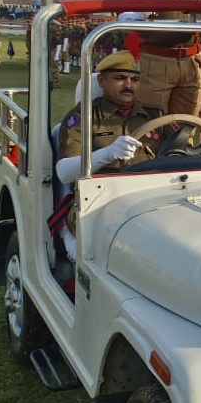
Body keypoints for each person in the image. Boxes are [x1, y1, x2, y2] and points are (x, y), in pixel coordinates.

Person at [54, 51, 161, 262]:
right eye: (120, 78)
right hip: (99, 199)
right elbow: (64, 172)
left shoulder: (154, 115)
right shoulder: (83, 116)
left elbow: (177, 150)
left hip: (150, 195)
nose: (128, 85)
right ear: (101, 81)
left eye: (134, 79)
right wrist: (107, 154)